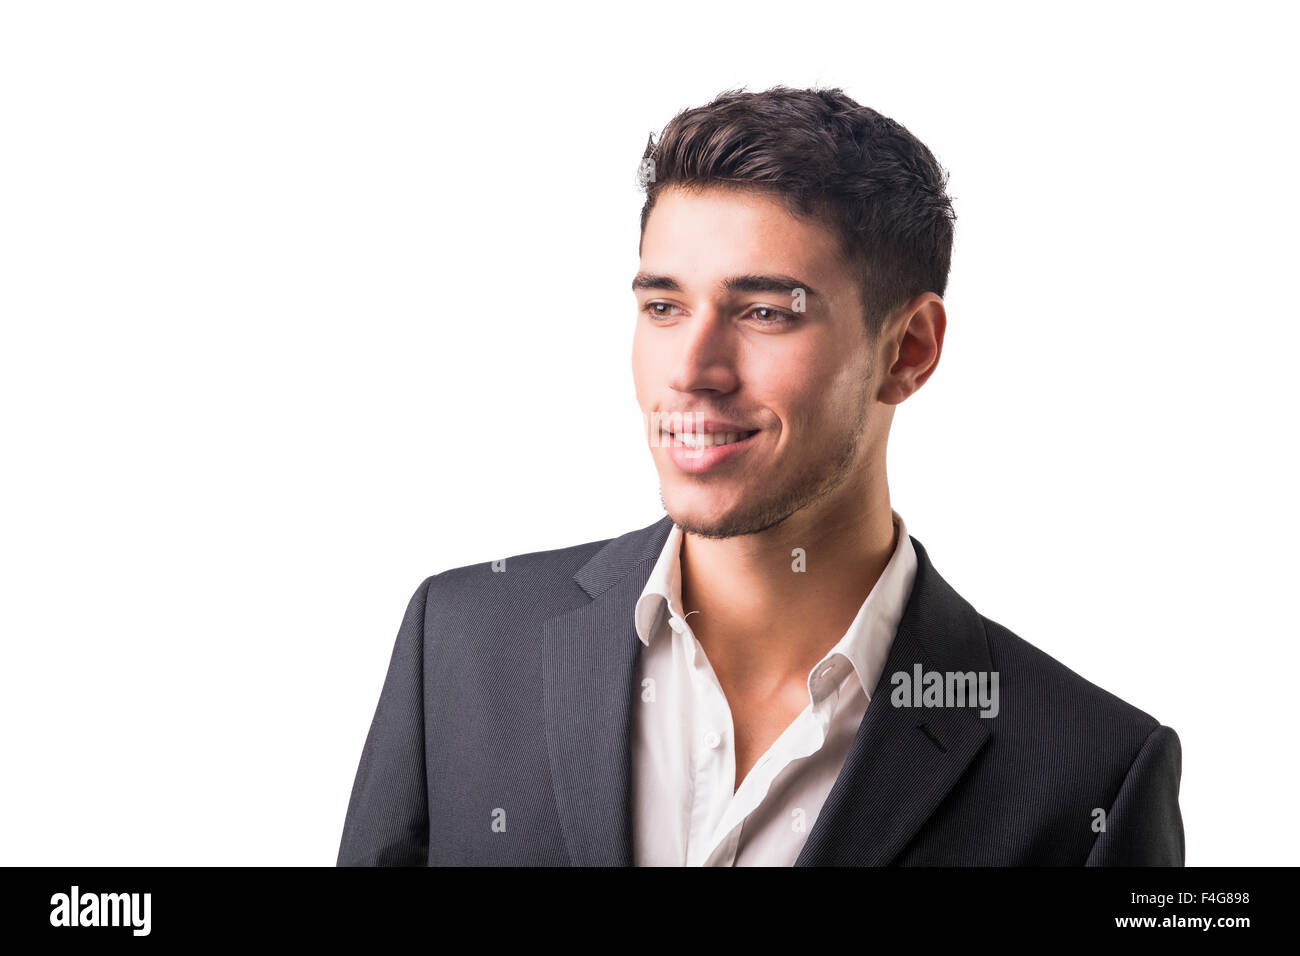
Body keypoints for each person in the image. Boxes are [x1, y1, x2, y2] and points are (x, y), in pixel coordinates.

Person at [336, 86, 1185, 866]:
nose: (693, 369)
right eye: (664, 306)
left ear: (909, 350)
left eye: (766, 313)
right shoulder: (461, 647)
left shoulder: (1090, 772)